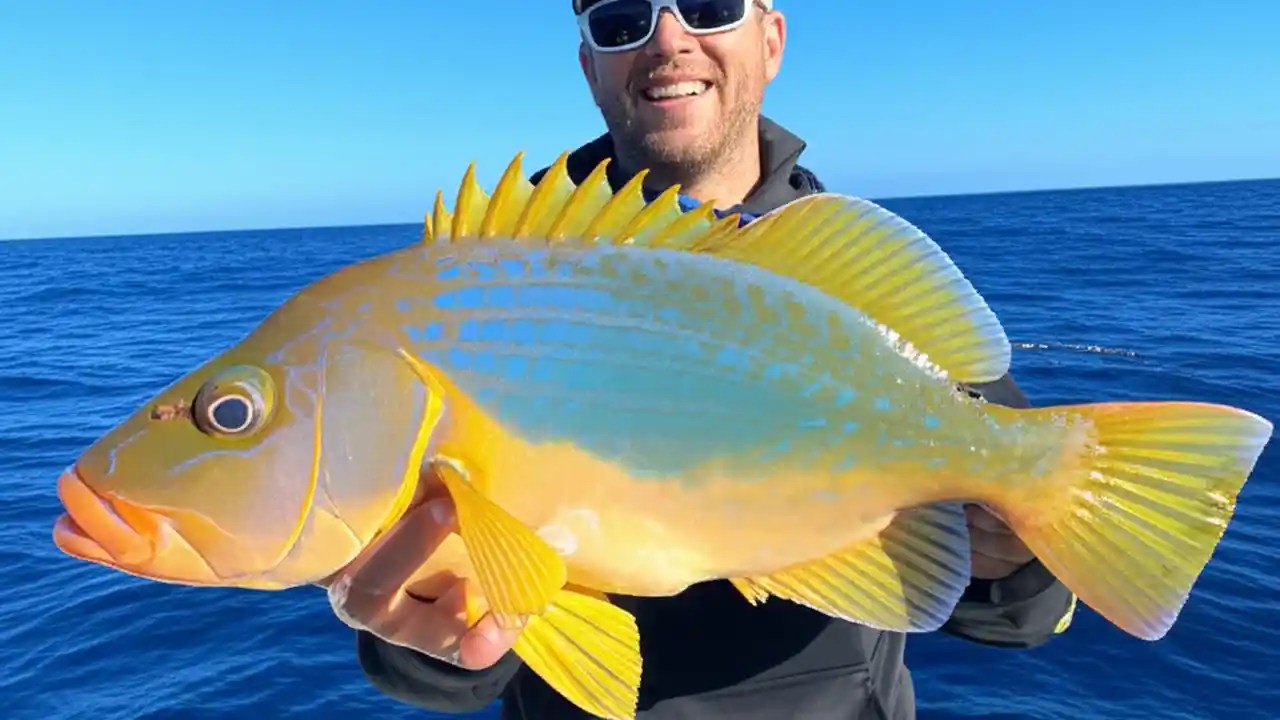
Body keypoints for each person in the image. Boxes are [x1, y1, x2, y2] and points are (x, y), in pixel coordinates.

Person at [347, 1, 1077, 717]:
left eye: (708, 6)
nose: (668, 38)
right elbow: (457, 669)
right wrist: (426, 639)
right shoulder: (491, 281)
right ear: (589, 64)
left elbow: (1016, 617)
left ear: (772, 39)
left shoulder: (859, 291)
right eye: (621, 20)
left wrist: (1019, 561)